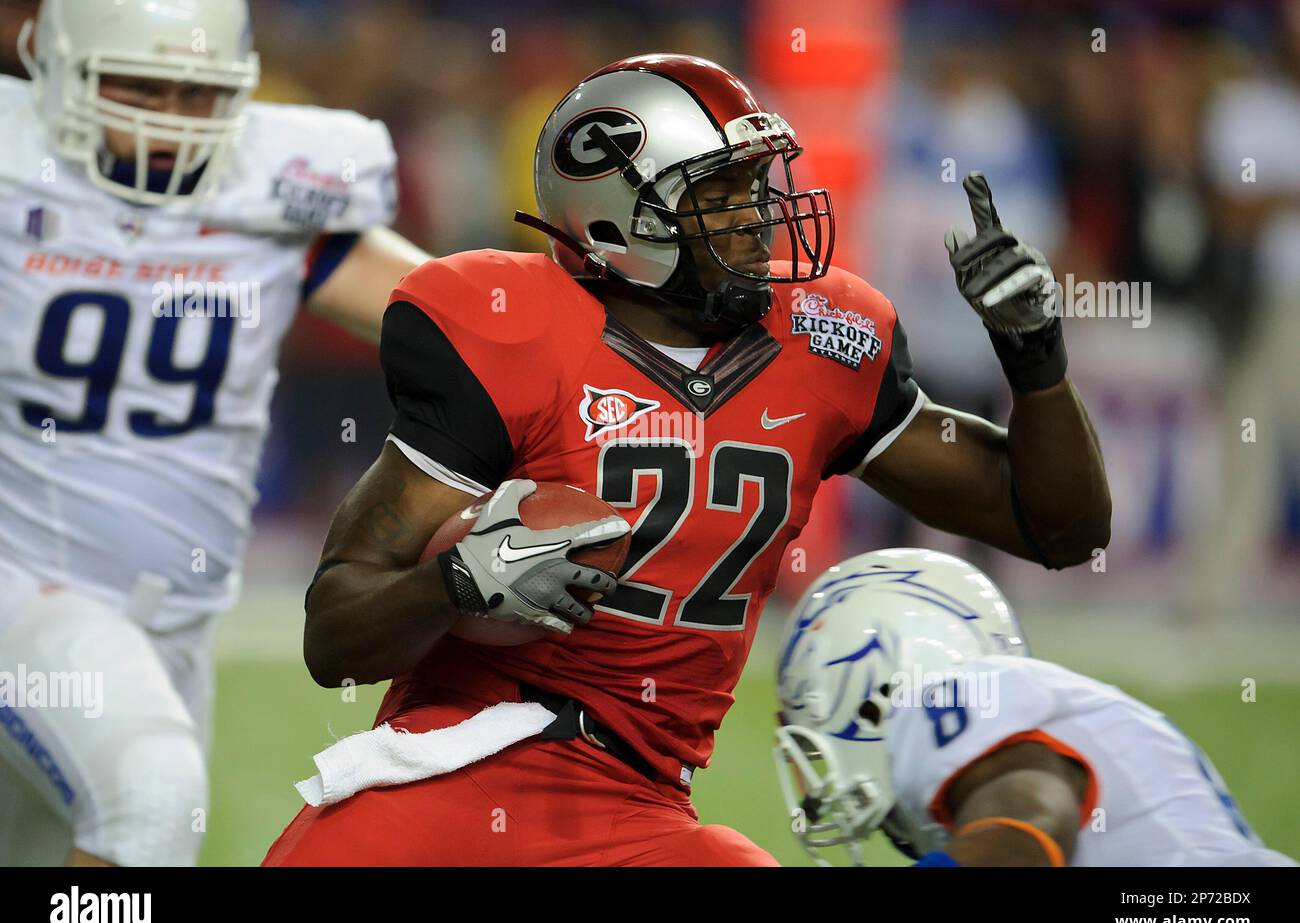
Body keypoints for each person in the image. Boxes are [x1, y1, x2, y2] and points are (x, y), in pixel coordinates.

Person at [264, 54, 1109, 866]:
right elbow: (333, 635)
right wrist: (454, 583)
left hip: (637, 809)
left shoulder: (822, 342)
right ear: (613, 217)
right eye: (720, 196)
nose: (759, 220)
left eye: (754, 189)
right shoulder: (510, 332)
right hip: (451, 767)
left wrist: (1036, 362)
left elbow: (1059, 527)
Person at [0, 0, 429, 866]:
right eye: (137, 86)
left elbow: (455, 320)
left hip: (173, 619)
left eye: (195, 92)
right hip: (25, 579)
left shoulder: (266, 190)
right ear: (54, 63)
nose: (166, 118)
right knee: (148, 807)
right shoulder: (17, 172)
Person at [773, 547, 1296, 866]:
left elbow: (1030, 823)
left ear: (876, 689)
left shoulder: (948, 696)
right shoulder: (1021, 704)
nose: (817, 778)